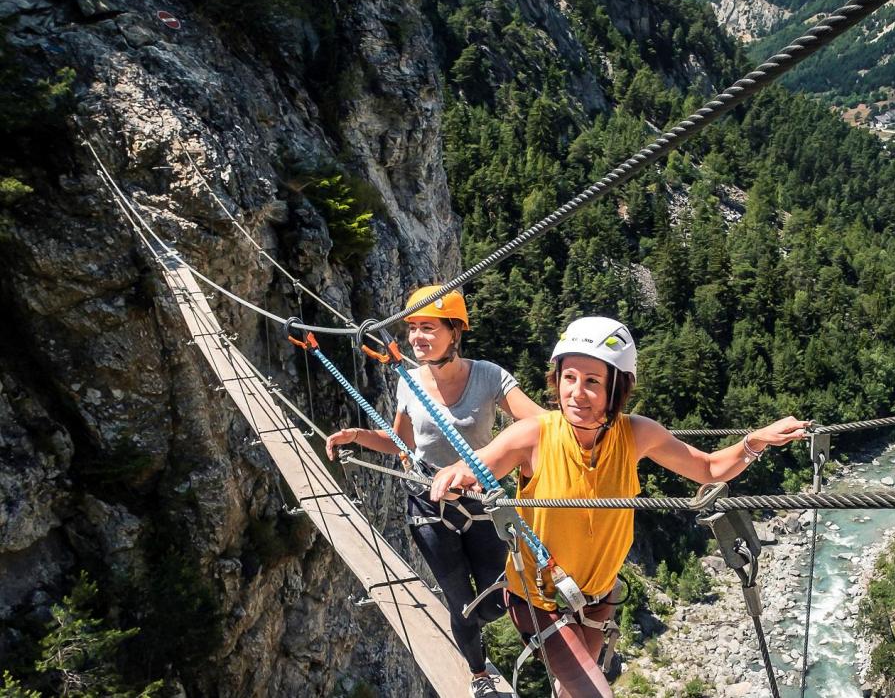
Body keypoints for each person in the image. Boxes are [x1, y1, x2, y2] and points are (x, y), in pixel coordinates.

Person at [429, 316, 810, 697]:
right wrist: (456, 473)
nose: (577, 393)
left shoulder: (636, 434)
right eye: (569, 378)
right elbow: (481, 462)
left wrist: (753, 443)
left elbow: (708, 468)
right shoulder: (535, 434)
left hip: (597, 599)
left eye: (593, 381)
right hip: (538, 599)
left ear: (616, 387)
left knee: (570, 691)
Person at [325, 286, 545, 697]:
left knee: (500, 598)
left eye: (428, 327)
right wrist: (357, 436)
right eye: (412, 328)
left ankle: (486, 641)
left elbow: (540, 425)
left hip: (481, 502)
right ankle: (479, 676)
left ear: (454, 331)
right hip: (428, 506)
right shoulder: (408, 382)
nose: (417, 337)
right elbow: (399, 442)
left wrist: (587, 434)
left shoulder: (489, 376)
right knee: (462, 604)